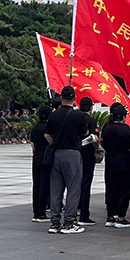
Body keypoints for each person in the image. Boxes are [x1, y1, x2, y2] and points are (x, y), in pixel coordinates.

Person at [45, 86, 89, 234]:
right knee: (73, 189)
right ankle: (69, 222)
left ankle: (54, 222)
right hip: (72, 154)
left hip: (57, 154)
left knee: (56, 190)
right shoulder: (78, 116)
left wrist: (56, 142)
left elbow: (47, 135)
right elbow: (85, 132)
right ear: (74, 99)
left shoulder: (54, 115)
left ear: (61, 98)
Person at [100, 103, 130, 228]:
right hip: (123, 161)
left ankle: (110, 216)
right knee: (124, 189)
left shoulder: (107, 128)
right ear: (123, 117)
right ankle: (121, 217)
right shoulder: (125, 129)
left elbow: (104, 144)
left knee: (111, 189)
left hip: (110, 161)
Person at [78, 97, 100, 226]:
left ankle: (74, 209)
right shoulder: (91, 121)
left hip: (74, 155)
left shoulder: (73, 118)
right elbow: (95, 140)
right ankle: (84, 214)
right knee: (85, 185)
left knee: (74, 185)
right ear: (91, 108)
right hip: (87, 156)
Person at [30, 106, 53, 223]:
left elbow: (32, 144)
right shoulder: (48, 128)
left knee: (36, 185)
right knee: (44, 186)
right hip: (46, 158)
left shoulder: (34, 128)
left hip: (36, 157)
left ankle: (35, 212)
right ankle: (42, 213)